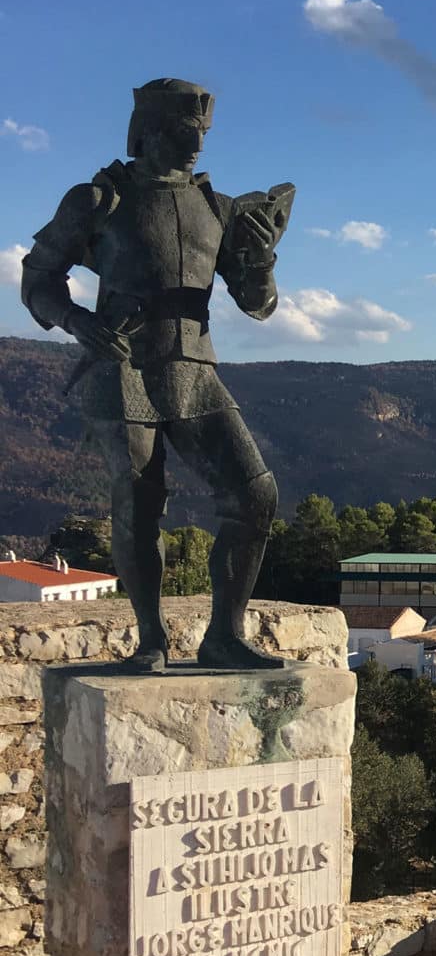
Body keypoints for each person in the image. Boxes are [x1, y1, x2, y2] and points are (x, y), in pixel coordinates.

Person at [17, 78, 289, 670]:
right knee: (139, 504)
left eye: (201, 132)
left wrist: (261, 258)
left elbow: (257, 304)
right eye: (180, 130)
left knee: (255, 493)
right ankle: (151, 639)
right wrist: (73, 319)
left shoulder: (217, 208)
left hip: (193, 366)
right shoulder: (98, 200)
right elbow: (36, 277)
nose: (194, 142)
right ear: (146, 132)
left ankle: (224, 635)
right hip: (122, 369)